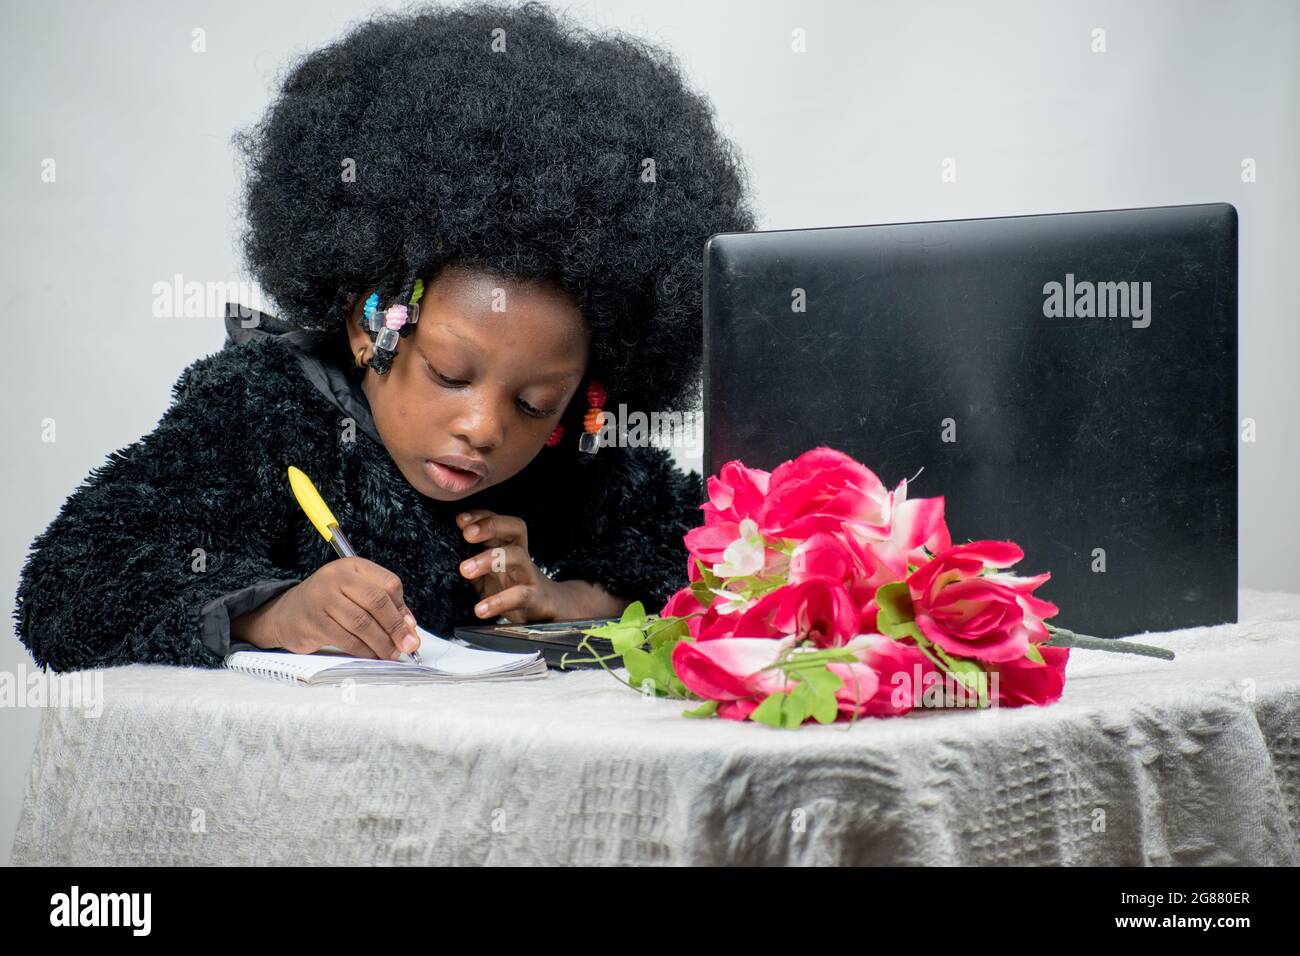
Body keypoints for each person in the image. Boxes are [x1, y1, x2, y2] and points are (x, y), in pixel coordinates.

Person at [13, 2, 756, 671]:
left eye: (534, 403)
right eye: (449, 373)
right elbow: (71, 585)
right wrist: (276, 612)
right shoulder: (263, 412)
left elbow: (718, 557)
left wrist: (564, 599)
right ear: (372, 324)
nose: (484, 427)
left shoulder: (565, 459)